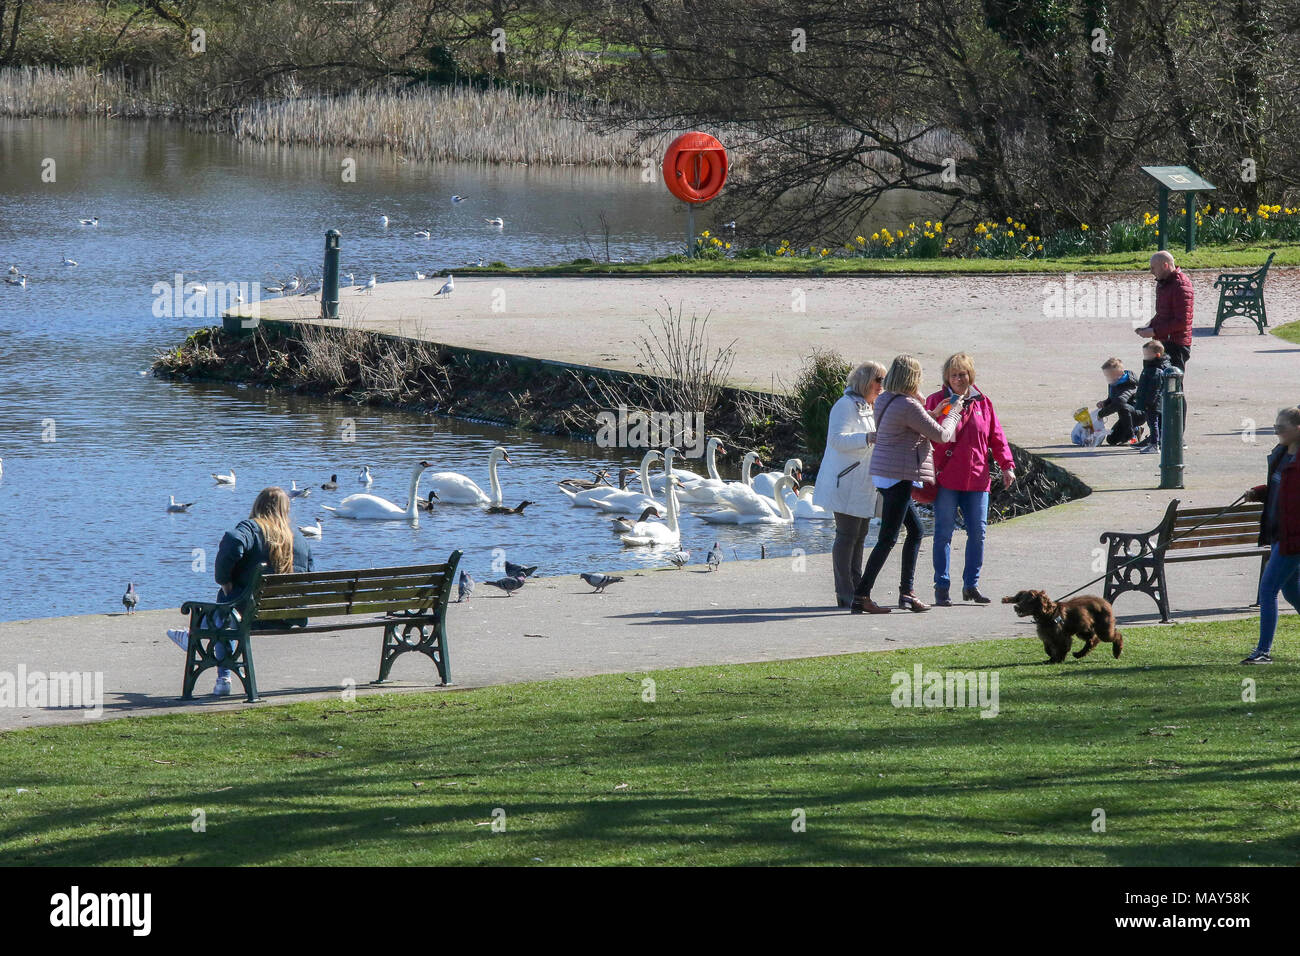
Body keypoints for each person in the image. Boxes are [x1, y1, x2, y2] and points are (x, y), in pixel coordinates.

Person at [166, 487, 315, 695]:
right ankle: (193, 638)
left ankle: (211, 663)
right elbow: (308, 576)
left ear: (257, 505)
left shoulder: (251, 528)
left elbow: (233, 541)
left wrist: (224, 580)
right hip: (288, 616)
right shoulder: (298, 538)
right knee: (226, 611)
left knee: (224, 609)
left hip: (249, 616)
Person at [852, 354, 963, 614]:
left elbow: (906, 427)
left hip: (885, 473)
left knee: (915, 531)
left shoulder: (886, 400)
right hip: (897, 475)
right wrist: (954, 413)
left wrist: (933, 412)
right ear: (913, 378)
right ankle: (862, 595)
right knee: (888, 538)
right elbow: (942, 435)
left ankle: (907, 594)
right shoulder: (907, 405)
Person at [923, 353, 1015, 606]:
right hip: (946, 479)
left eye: (963, 374)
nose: (959, 379)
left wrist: (1007, 465)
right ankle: (941, 586)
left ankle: (971, 585)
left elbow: (996, 436)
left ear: (970, 375)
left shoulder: (983, 403)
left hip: (977, 479)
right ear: (946, 378)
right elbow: (923, 437)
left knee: (978, 533)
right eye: (954, 375)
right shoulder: (935, 401)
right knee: (943, 533)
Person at [814, 361, 886, 607]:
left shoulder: (867, 406)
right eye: (879, 381)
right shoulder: (844, 405)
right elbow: (836, 439)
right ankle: (844, 591)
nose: (881, 387)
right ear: (866, 381)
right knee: (846, 535)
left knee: (860, 534)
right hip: (844, 480)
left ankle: (857, 589)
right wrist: (867, 437)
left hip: (862, 482)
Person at [1240, 407, 1300, 664]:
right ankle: (1263, 650)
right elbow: (1280, 487)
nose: (1277, 431)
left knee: (1267, 588)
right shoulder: (1280, 455)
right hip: (1278, 533)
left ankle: (1263, 651)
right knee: (1290, 590)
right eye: (1275, 427)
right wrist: (1259, 492)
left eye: (1281, 428)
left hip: (1293, 538)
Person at [1136, 250, 1193, 372]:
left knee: (1172, 383)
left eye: (1153, 268)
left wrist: (1154, 330)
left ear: (1165, 265)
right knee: (1156, 380)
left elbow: (1182, 321)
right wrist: (1150, 326)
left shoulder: (1181, 285)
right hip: (1163, 340)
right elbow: (1162, 313)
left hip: (1176, 344)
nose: (1151, 271)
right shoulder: (1163, 283)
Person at [1126, 339, 1173, 453]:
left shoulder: (1155, 370)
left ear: (1156, 355)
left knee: (1153, 423)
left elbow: (1154, 389)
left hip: (1153, 403)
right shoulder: (1154, 367)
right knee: (1157, 423)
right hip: (1156, 402)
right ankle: (1159, 443)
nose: (1144, 357)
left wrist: (1148, 403)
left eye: (1146, 354)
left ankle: (1154, 444)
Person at [1096, 357, 1143, 445]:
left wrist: (1101, 414)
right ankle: (1136, 430)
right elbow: (1112, 399)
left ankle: (1131, 435)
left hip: (1138, 414)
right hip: (1126, 417)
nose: (1108, 378)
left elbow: (1119, 402)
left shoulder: (1129, 384)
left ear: (1120, 373)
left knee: (1122, 406)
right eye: (1106, 376)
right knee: (1111, 440)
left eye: (1110, 376)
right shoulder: (1114, 382)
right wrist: (1105, 403)